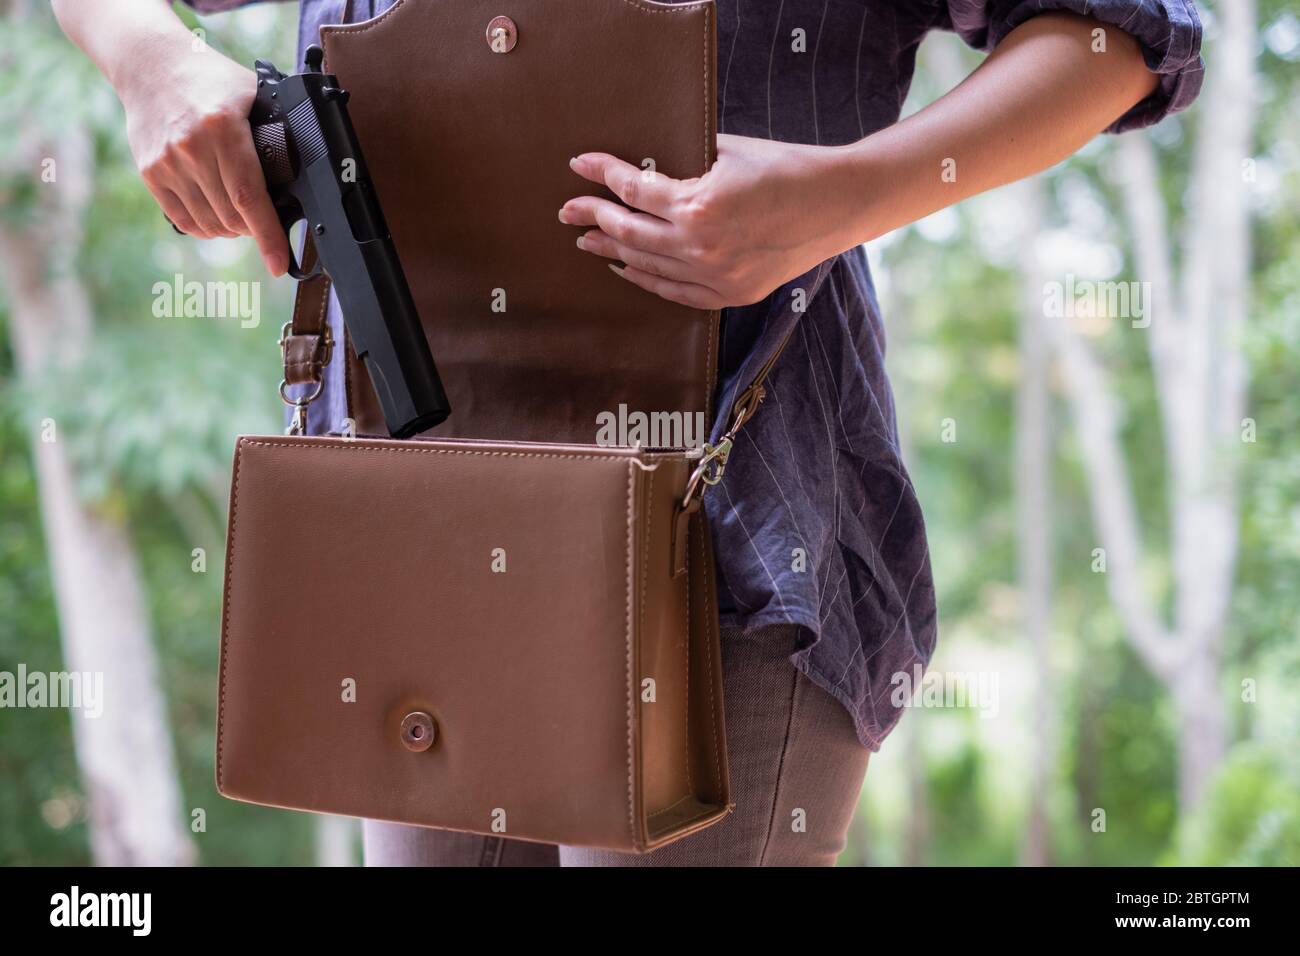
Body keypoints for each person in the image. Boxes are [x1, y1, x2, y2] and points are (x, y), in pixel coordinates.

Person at [53, 0, 1203, 866]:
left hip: (734, 518)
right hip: (408, 528)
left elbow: (1125, 33)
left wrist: (838, 195)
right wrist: (148, 58)